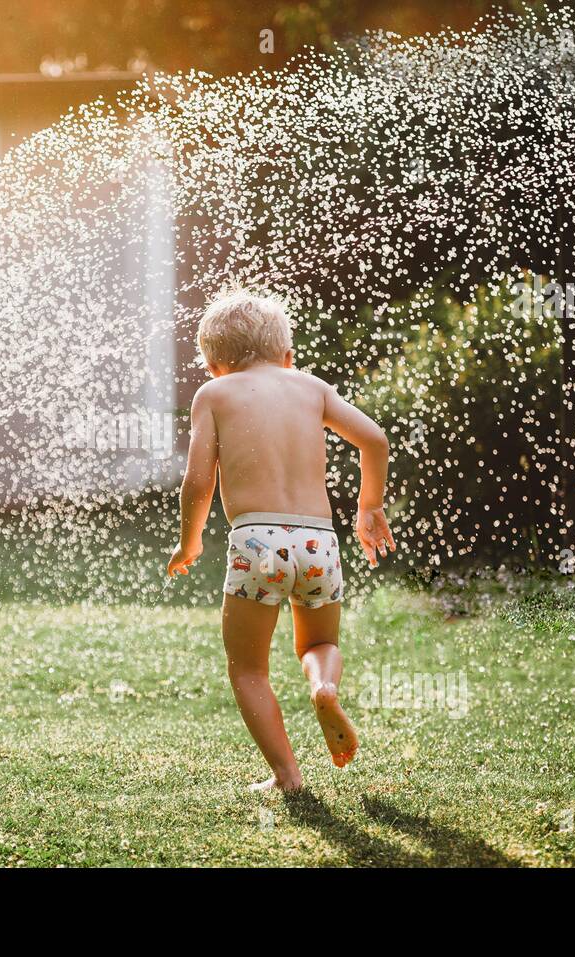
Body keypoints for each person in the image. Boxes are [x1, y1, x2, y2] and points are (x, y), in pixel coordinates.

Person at [167, 287, 394, 792]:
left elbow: (198, 481)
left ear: (213, 363)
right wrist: (369, 506)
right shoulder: (310, 387)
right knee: (320, 641)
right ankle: (324, 686)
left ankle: (287, 776)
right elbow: (375, 440)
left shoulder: (215, 395)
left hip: (257, 543)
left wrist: (190, 541)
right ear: (287, 355)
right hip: (319, 543)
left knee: (248, 666)